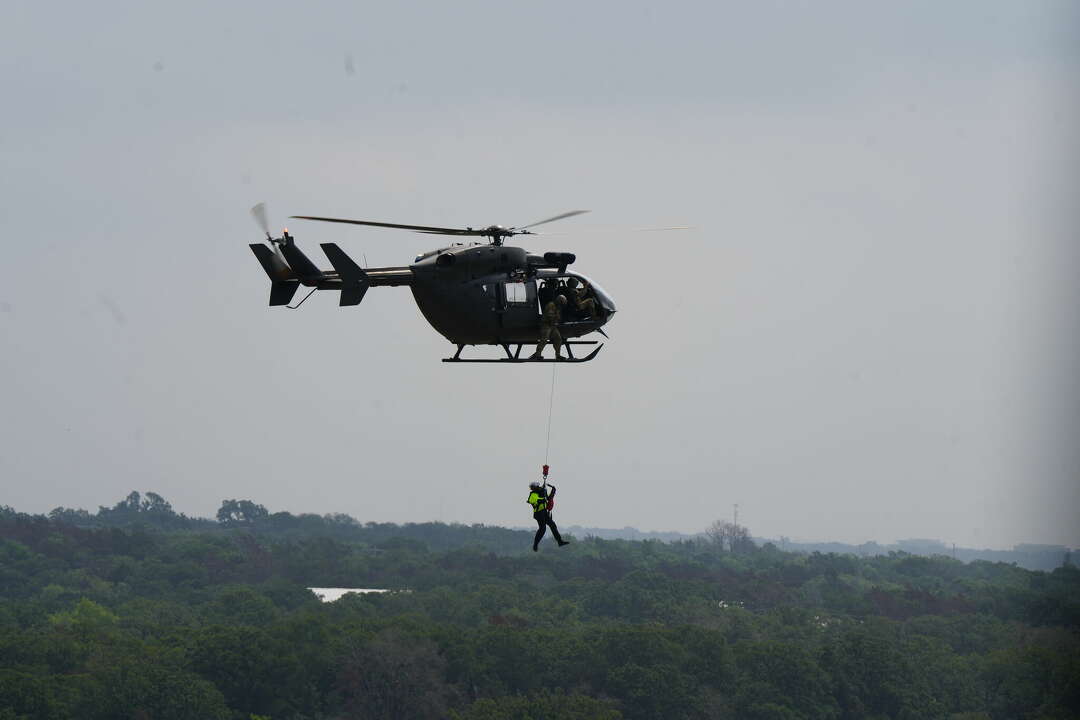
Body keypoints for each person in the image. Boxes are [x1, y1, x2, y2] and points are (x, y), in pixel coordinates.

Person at [527, 481, 569, 551]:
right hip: (538, 513)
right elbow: (536, 501)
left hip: (544, 512)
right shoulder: (533, 495)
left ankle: (559, 541)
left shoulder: (541, 492)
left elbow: (548, 498)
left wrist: (552, 492)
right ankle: (535, 544)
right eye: (535, 487)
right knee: (542, 529)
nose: (538, 488)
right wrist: (543, 498)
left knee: (552, 525)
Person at [529, 294, 567, 360]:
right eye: (561, 303)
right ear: (559, 301)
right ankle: (537, 354)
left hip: (552, 326)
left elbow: (557, 317)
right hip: (546, 325)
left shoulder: (558, 307)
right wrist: (556, 319)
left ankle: (558, 355)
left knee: (558, 339)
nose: (561, 305)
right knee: (544, 339)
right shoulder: (551, 305)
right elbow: (550, 316)